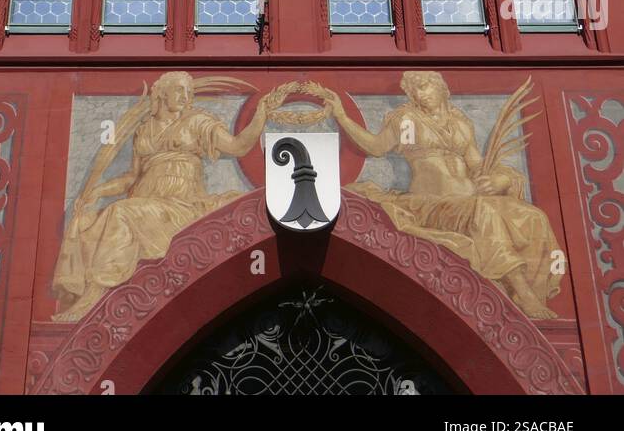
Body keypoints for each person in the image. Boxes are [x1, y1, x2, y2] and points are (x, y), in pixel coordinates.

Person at [305, 71, 561, 320]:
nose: (420, 93)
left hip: (469, 199)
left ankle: (528, 289)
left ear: (441, 88)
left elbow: (477, 165)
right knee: (484, 213)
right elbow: (375, 146)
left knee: (533, 216)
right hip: (430, 204)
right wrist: (342, 116)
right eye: (415, 89)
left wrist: (498, 180)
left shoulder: (461, 123)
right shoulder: (405, 118)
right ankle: (523, 292)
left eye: (425, 87)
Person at [53, 72, 293, 321]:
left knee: (120, 213)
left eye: (188, 92)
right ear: (162, 93)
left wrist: (261, 114)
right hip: (147, 203)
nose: (185, 96)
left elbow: (237, 146)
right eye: (178, 90)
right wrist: (96, 191)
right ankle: (90, 294)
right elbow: (131, 177)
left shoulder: (198, 122)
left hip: (181, 206)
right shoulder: (144, 131)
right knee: (88, 219)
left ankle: (95, 295)